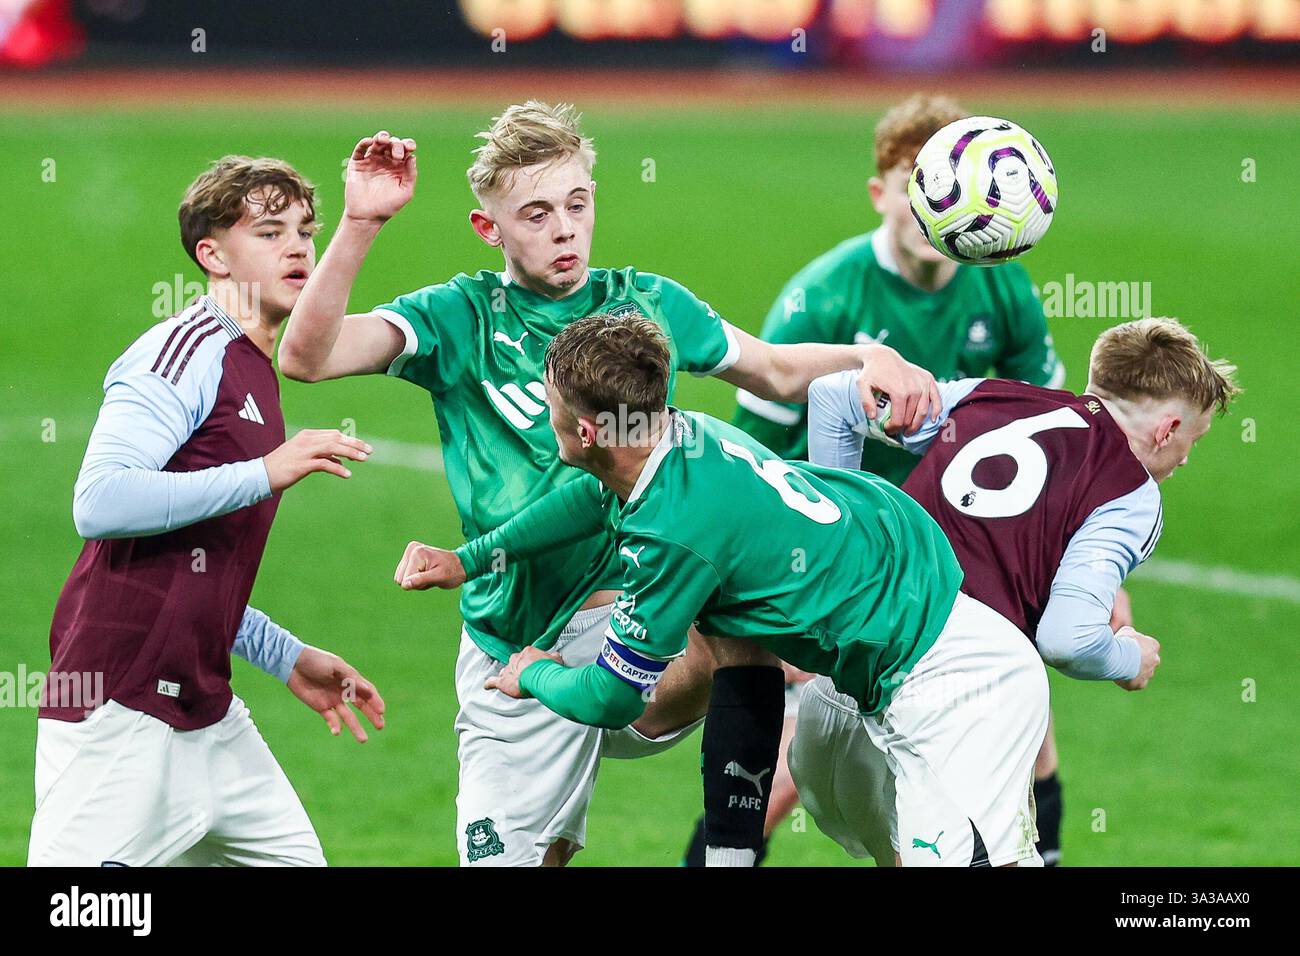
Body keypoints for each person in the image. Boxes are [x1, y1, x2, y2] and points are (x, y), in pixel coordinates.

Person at [279, 104, 938, 867]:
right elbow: (306, 358)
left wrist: (866, 357)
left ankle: (738, 851)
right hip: (514, 641)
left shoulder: (647, 306)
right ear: (489, 228)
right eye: (536, 214)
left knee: (744, 617)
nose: (564, 230)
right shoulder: (459, 317)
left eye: (576, 205)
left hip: (637, 622)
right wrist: (361, 221)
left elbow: (778, 370)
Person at [398, 312, 1050, 867]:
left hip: (952, 683)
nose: (547, 414)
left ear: (588, 431)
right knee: (838, 791)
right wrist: (469, 560)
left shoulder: (673, 539)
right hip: (881, 663)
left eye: (551, 404)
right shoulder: (681, 436)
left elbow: (613, 698)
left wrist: (534, 673)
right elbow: (592, 502)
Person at [724, 93, 1076, 864]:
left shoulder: (1002, 287)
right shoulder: (824, 295)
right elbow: (754, 457)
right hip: (847, 555)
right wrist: (790, 585)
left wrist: (1082, 562)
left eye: (952, 185)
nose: (936, 207)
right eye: (921, 184)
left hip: (956, 544)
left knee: (1028, 731)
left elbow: (1050, 431)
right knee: (786, 769)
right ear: (882, 192)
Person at [29, 156, 384, 867]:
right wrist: (264, 472)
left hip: (205, 713)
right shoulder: (183, 351)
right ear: (213, 256)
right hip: (120, 703)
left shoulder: (255, 367)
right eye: (269, 232)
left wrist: (285, 655)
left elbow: (196, 565)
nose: (297, 248)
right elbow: (98, 500)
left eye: (304, 231)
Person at [792, 316, 1239, 864]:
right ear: (1167, 430)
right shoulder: (1131, 493)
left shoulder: (990, 397)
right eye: (1193, 439)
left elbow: (834, 399)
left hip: (834, 699)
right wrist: (1128, 658)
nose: (1186, 457)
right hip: (950, 707)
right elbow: (1069, 638)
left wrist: (841, 553)